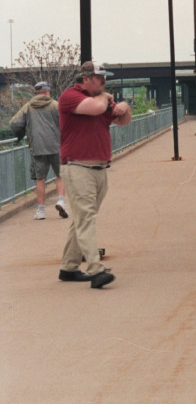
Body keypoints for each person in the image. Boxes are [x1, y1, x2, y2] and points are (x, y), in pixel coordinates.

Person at [57, 61, 132, 289]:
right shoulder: (70, 97)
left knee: (82, 219)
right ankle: (95, 269)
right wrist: (107, 97)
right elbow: (97, 107)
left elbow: (122, 121)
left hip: (99, 169)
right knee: (86, 218)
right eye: (101, 78)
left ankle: (68, 268)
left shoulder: (100, 100)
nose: (104, 82)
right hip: (78, 167)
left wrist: (124, 106)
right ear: (87, 78)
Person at [10, 81, 68, 220]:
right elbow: (66, 122)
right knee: (61, 175)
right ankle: (60, 200)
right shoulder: (56, 105)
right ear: (47, 91)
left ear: (36, 93)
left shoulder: (28, 107)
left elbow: (14, 124)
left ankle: (41, 210)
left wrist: (23, 130)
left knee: (40, 179)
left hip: (37, 148)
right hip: (57, 146)